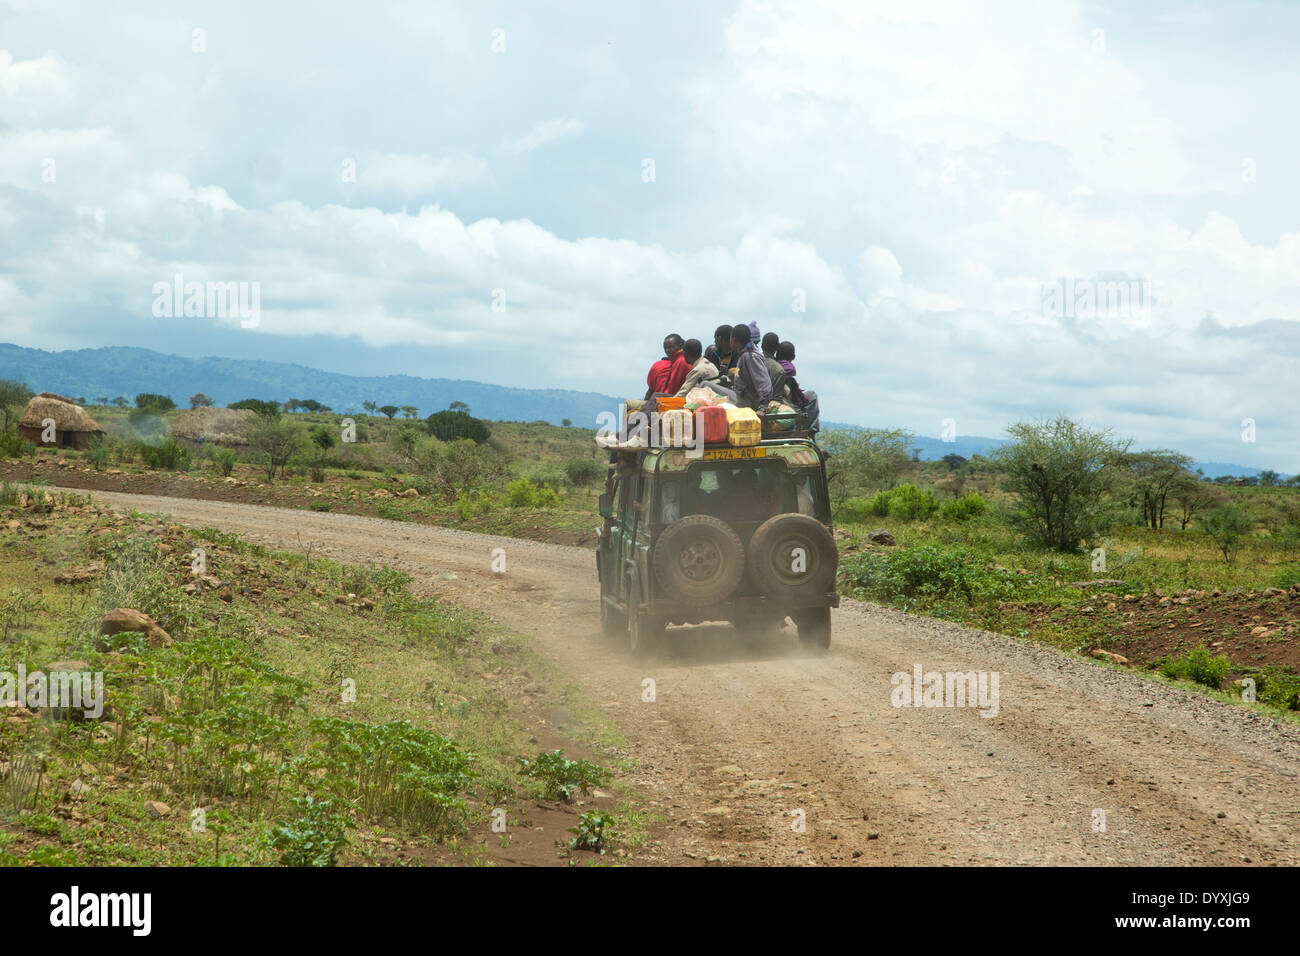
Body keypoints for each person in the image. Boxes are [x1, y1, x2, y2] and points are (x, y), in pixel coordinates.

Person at [706, 322, 771, 410]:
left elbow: (764, 383)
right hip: (741, 396)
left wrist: (763, 406)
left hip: (747, 401)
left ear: (734, 340)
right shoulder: (743, 355)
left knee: (705, 385)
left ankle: (699, 417)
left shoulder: (750, 356)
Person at [776, 340, 820, 434]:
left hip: (778, 401)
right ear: (793, 357)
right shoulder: (787, 368)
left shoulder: (770, 363)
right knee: (812, 395)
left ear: (777, 354)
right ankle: (809, 431)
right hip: (784, 403)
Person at [645, 333, 690, 398]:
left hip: (674, 399)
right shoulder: (678, 360)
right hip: (674, 397)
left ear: (680, 346)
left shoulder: (680, 361)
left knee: (655, 396)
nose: (667, 350)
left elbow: (672, 388)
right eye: (665, 348)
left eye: (671, 347)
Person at [760, 332, 787, 400]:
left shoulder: (751, 359)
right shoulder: (778, 369)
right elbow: (776, 397)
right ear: (777, 347)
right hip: (766, 402)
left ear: (762, 345)